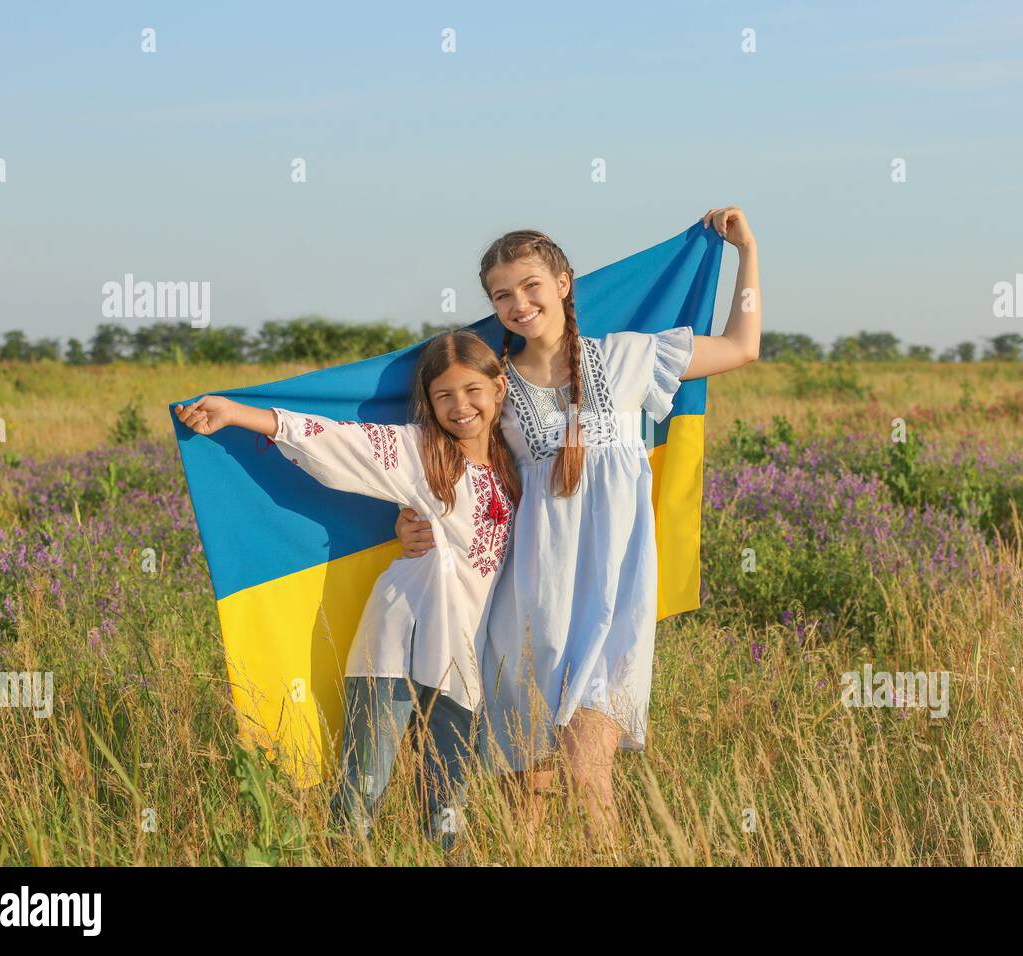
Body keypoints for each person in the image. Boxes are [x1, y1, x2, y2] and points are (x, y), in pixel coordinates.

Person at [396, 207, 762, 843]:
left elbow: (742, 346)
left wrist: (746, 251)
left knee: (590, 778)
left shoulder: (629, 359)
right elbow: (457, 476)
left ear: (563, 281)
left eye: (530, 285)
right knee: (527, 804)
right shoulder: (495, 387)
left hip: (612, 608)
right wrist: (412, 522)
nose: (518, 303)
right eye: (501, 295)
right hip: (527, 609)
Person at [175, 331, 519, 843]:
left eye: (473, 391)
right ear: (427, 403)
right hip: (394, 646)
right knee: (364, 787)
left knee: (450, 797)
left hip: (465, 654)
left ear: (499, 388)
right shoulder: (419, 450)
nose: (460, 406)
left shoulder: (519, 461)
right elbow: (333, 439)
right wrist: (237, 413)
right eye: (443, 395)